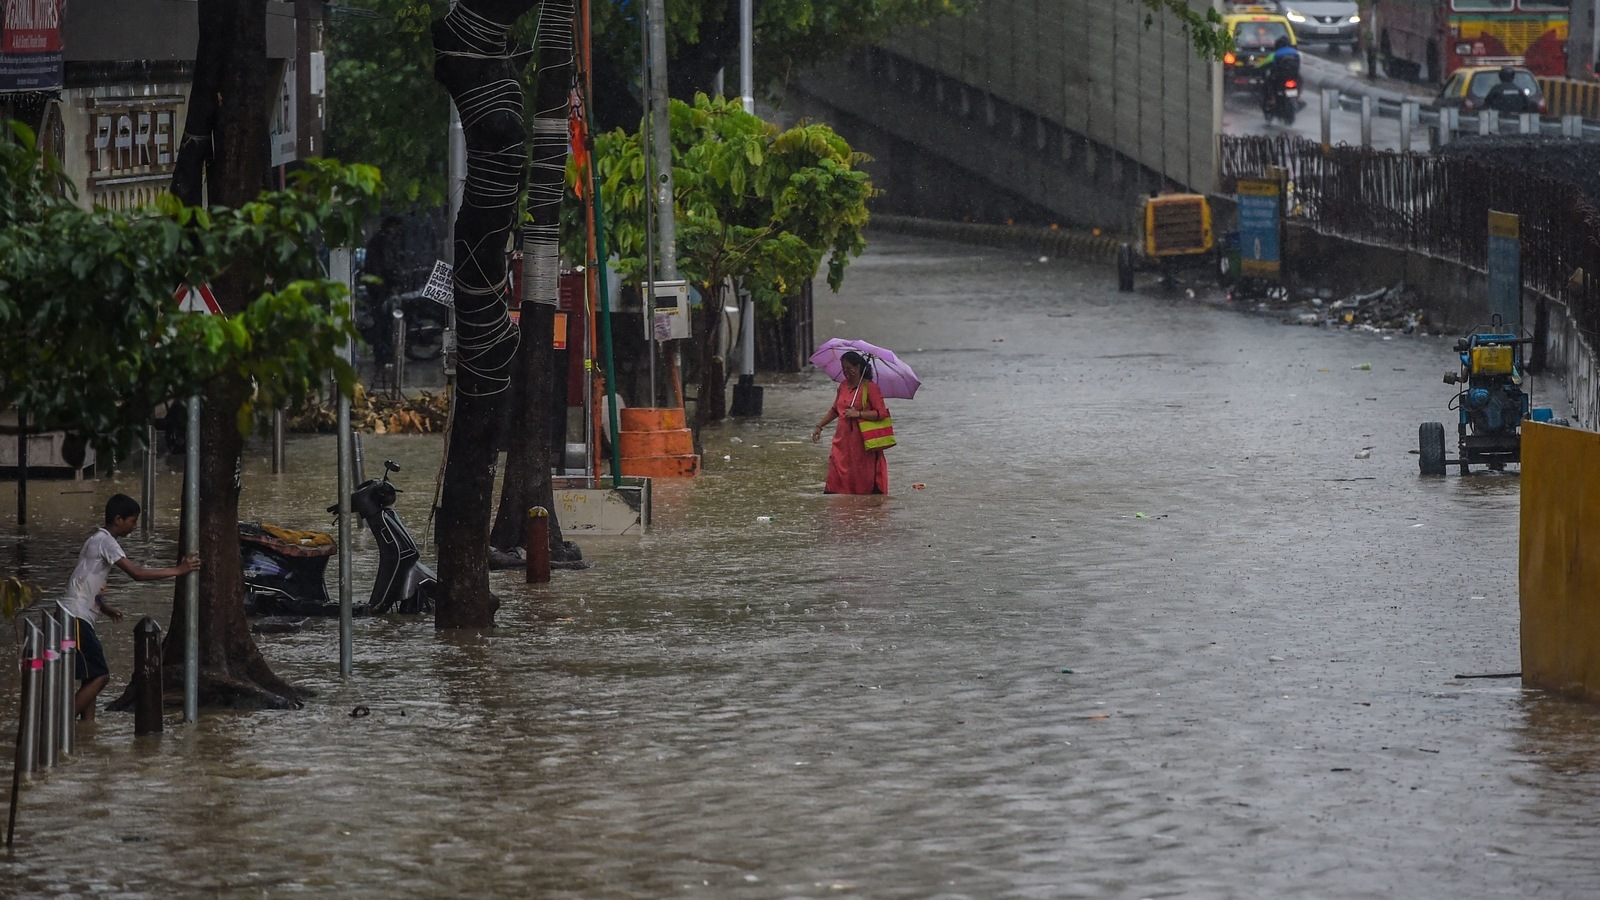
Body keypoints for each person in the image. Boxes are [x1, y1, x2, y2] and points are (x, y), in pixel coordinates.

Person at [62, 494, 200, 722]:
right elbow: (137, 574)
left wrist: (103, 607)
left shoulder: (95, 539)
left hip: (76, 613)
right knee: (101, 676)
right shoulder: (107, 541)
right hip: (75, 616)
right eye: (133, 521)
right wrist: (179, 570)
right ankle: (61, 724)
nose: (135, 527)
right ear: (118, 519)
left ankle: (86, 730)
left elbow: (83, 580)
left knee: (91, 677)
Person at [811, 350, 890, 495]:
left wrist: (858, 414)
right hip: (841, 441)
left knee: (860, 480)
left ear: (858, 367)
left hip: (861, 444)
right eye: (843, 368)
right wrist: (819, 426)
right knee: (836, 476)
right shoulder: (843, 386)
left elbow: (882, 413)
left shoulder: (870, 388)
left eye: (849, 368)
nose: (846, 372)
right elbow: (835, 410)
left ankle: (861, 504)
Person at [360, 216, 407, 365]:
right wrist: (395, 282)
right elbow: (388, 265)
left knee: (382, 322)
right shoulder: (384, 242)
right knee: (384, 324)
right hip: (382, 288)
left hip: (377, 287)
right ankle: (384, 357)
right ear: (392, 227)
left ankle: (382, 356)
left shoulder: (377, 241)